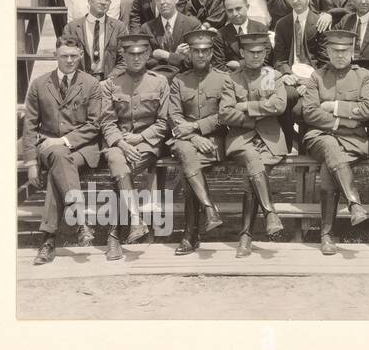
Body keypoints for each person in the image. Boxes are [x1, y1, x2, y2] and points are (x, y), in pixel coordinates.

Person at [22, 35, 104, 265]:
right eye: (64, 56)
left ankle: (48, 240)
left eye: (74, 56)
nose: (69, 61)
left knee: (59, 163)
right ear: (54, 56)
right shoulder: (39, 84)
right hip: (47, 146)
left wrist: (65, 140)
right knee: (58, 156)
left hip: (82, 148)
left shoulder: (90, 84)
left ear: (80, 56)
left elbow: (94, 125)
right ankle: (79, 220)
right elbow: (29, 126)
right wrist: (30, 163)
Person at [97, 33, 172, 259]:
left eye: (141, 53)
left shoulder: (159, 81)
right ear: (124, 55)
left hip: (148, 145)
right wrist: (120, 141)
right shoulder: (112, 84)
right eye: (131, 54)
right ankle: (136, 220)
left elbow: (164, 121)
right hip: (120, 143)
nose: (137, 58)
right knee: (115, 158)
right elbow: (107, 121)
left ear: (148, 54)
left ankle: (114, 237)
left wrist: (140, 139)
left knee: (117, 173)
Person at [301, 29, 369, 252]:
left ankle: (327, 235)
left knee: (328, 169)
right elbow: (309, 112)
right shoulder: (317, 76)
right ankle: (353, 202)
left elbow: (366, 110)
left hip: (353, 141)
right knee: (330, 145)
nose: (340, 55)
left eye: (345, 50)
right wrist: (340, 123)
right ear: (327, 51)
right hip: (319, 137)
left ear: (352, 51)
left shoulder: (363, 75)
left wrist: (333, 107)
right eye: (335, 50)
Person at [219, 31, 289, 256]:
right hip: (241, 139)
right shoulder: (231, 78)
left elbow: (279, 105)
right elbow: (226, 113)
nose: (257, 56)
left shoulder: (273, 76)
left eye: (261, 52)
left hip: (270, 139)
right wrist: (259, 110)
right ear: (242, 53)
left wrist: (246, 107)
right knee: (252, 160)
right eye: (251, 52)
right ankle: (269, 214)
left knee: (254, 175)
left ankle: (246, 236)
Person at [168, 28, 236, 254]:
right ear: (189, 54)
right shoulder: (179, 81)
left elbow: (225, 115)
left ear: (211, 53)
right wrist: (195, 137)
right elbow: (173, 116)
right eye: (196, 51)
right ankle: (208, 211)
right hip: (186, 140)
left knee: (190, 169)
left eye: (205, 51)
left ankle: (190, 234)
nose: (200, 55)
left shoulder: (224, 79)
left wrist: (198, 126)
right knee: (188, 155)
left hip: (214, 142)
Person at [271, 0, 332, 151]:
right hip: (291, 77)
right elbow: (280, 59)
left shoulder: (319, 23)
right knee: (286, 96)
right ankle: (287, 147)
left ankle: (306, 149)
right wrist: (286, 74)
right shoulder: (282, 24)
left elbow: (325, 62)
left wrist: (310, 82)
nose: (295, 0)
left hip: (314, 78)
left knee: (302, 107)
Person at [139, 0, 203, 78]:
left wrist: (167, 55)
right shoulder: (146, 28)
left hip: (186, 81)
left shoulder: (193, 25)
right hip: (157, 80)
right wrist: (177, 57)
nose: (162, 2)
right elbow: (146, 62)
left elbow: (195, 61)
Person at [62, 0, 126, 80]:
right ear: (89, 1)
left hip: (110, 83)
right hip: (80, 82)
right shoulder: (72, 28)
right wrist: (84, 81)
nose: (103, 2)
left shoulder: (119, 27)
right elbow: (66, 59)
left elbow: (124, 60)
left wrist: (110, 79)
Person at [213, 0, 268, 70]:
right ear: (225, 12)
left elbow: (267, 59)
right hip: (232, 80)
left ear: (247, 7)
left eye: (238, 9)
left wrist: (240, 64)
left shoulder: (260, 29)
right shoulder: (220, 35)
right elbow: (219, 66)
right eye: (230, 10)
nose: (235, 14)